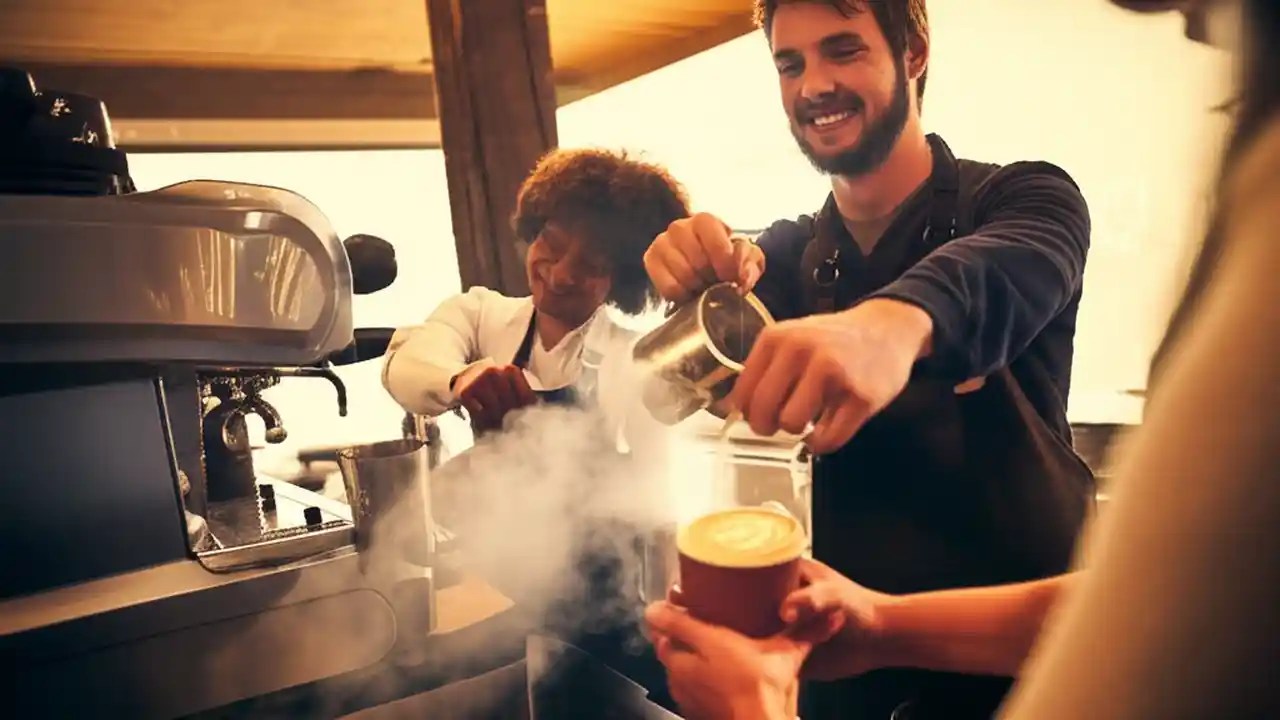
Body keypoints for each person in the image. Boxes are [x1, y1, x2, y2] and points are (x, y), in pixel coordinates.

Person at [645, 0, 1280, 718]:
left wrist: (887, 327)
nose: (813, 84)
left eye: (843, 50)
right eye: (790, 64)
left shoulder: (1024, 199)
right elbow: (665, 394)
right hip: (839, 648)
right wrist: (690, 287)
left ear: (913, 51)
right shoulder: (787, 256)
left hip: (1026, 656)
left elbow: (1002, 271)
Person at [383, 147, 690, 433]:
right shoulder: (479, 315)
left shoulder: (630, 358)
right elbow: (405, 364)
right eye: (552, 244)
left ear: (621, 282)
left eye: (591, 265)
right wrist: (460, 379)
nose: (560, 275)